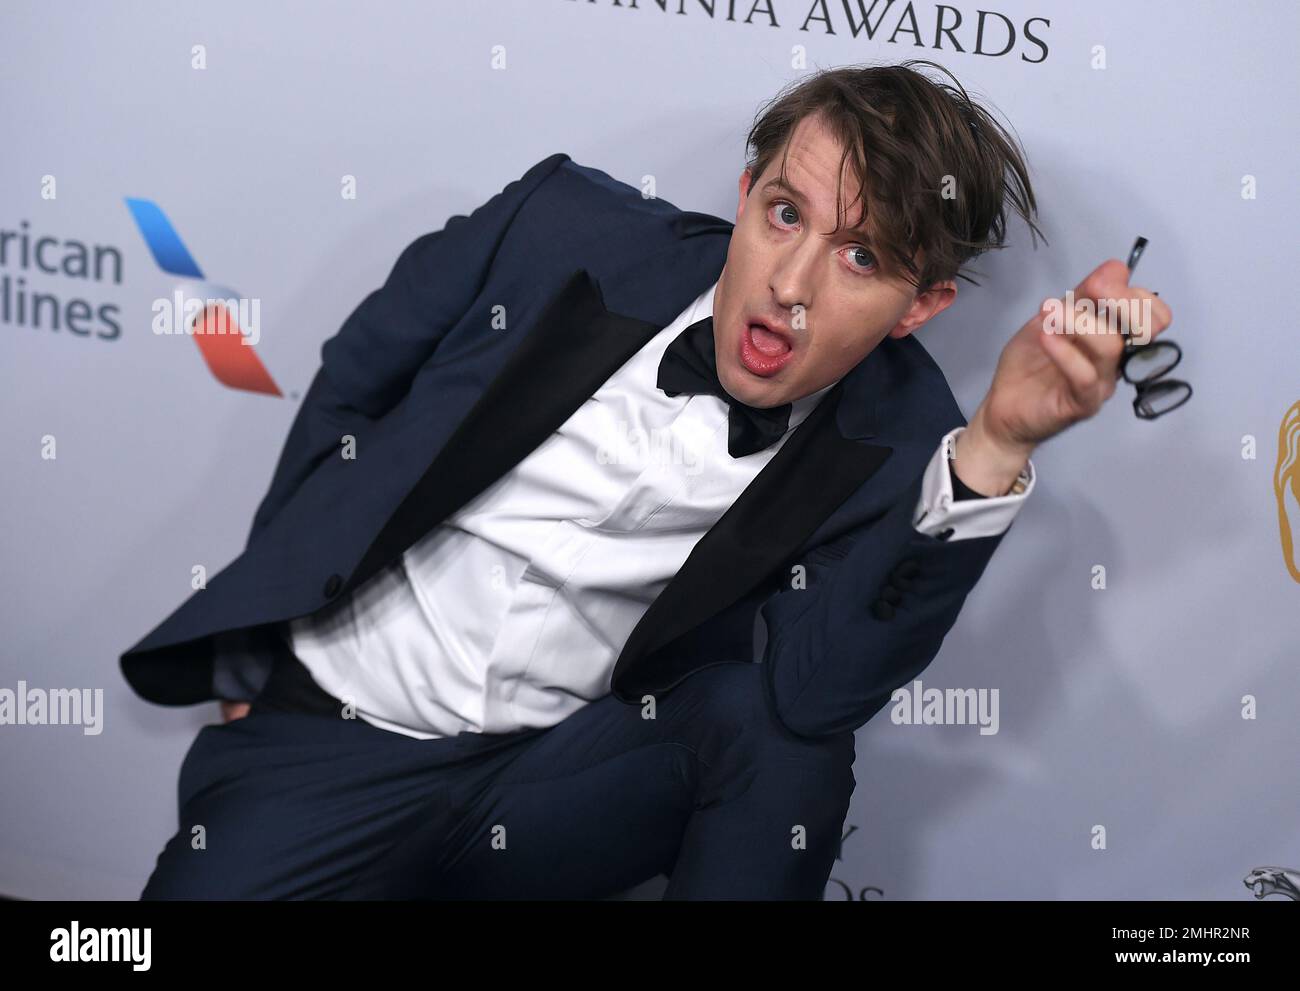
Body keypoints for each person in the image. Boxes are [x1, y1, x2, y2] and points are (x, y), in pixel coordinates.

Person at [125, 59, 1171, 899]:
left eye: (861, 259)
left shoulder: (904, 442)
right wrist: (262, 649)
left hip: (543, 789)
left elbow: (815, 700)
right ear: (744, 194)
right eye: (785, 214)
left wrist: (995, 443)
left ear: (919, 307)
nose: (792, 285)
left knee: (769, 732)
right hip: (332, 738)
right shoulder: (560, 231)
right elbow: (354, 390)